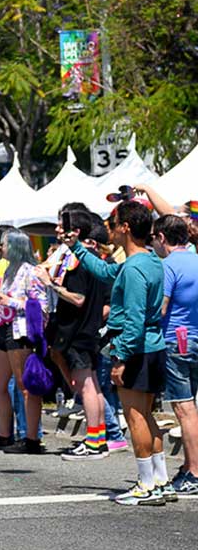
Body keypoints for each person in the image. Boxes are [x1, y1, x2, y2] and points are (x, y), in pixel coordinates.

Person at [71, 200, 168, 504]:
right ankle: (159, 479)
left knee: (135, 416)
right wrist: (77, 247)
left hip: (136, 348)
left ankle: (146, 485)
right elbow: (106, 271)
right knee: (147, 416)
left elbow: (135, 317)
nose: (109, 230)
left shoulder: (136, 267)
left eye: (112, 224)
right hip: (152, 346)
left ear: (125, 227)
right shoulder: (149, 260)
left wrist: (121, 357)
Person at [0, 229, 51, 455]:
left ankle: (31, 437)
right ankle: (3, 433)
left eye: (5, 244)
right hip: (4, 327)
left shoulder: (31, 272)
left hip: (22, 331)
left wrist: (11, 301)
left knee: (25, 386)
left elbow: (42, 305)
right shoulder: (8, 270)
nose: (1, 247)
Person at [49, 212, 113, 461]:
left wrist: (52, 284)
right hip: (89, 329)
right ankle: (97, 437)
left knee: (87, 387)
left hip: (77, 331)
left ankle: (94, 442)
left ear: (75, 231)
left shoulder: (78, 260)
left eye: (62, 225)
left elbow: (79, 298)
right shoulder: (94, 259)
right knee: (93, 386)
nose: (57, 229)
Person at [153, 212, 198, 494]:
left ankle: (194, 472)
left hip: (176, 341)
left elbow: (162, 308)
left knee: (184, 409)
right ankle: (188, 466)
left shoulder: (167, 266)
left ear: (161, 238)